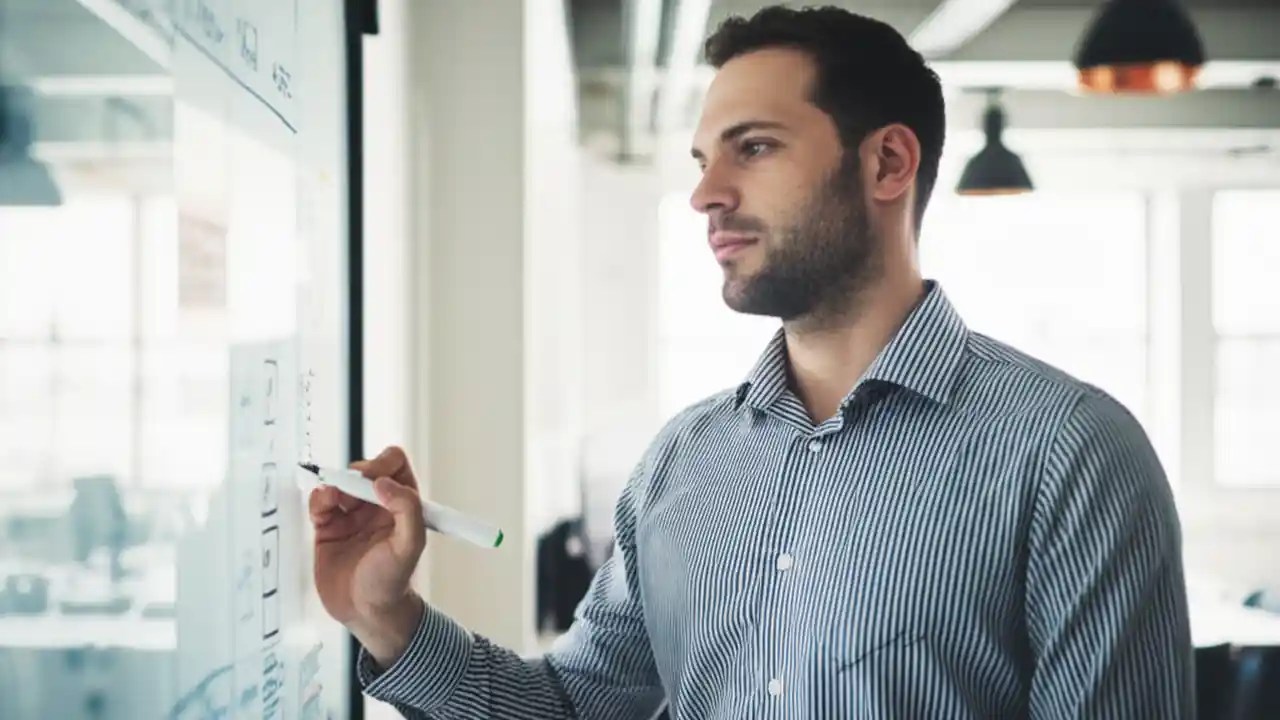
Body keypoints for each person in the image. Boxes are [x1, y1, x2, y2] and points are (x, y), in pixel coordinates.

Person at [308, 6, 1193, 718]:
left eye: (755, 147)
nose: (705, 194)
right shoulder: (682, 463)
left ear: (888, 162)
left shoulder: (1072, 453)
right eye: (702, 160)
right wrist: (387, 615)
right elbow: (575, 707)